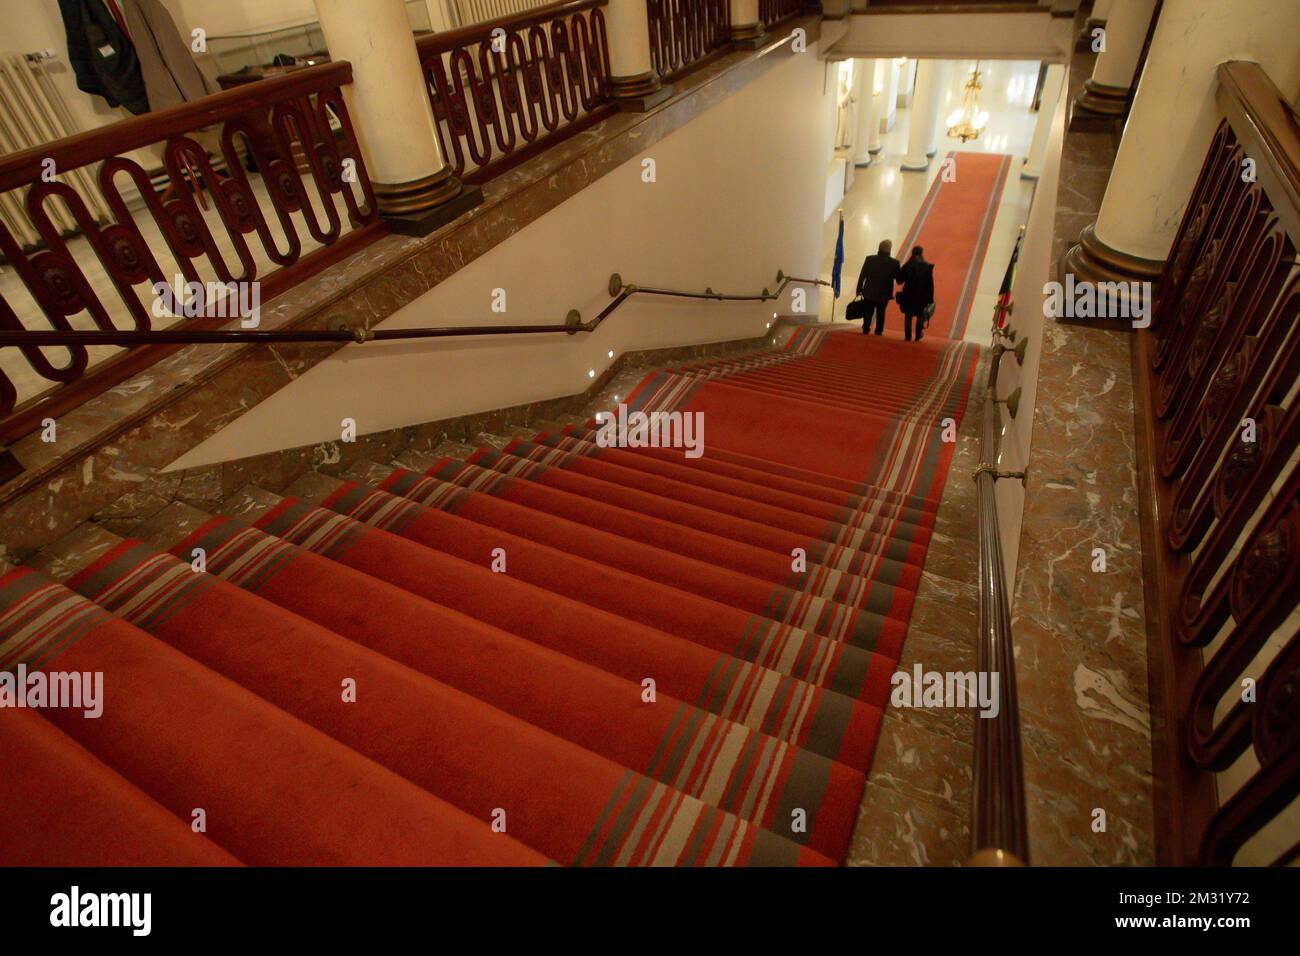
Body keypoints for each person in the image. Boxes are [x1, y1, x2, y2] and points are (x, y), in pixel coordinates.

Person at [855, 239, 902, 335]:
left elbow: (862, 275)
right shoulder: (894, 263)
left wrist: (859, 289)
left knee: (868, 310)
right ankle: (879, 330)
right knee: (881, 312)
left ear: (879, 248)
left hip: (869, 291)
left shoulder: (870, 259)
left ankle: (866, 327)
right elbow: (899, 280)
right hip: (884, 293)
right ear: (889, 250)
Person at [896, 245, 936, 342]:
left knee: (908, 316)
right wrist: (930, 299)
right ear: (921, 254)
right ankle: (918, 336)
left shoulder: (907, 266)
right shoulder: (927, 267)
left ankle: (907, 336)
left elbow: (899, 281)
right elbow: (930, 285)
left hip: (908, 294)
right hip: (921, 296)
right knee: (920, 315)